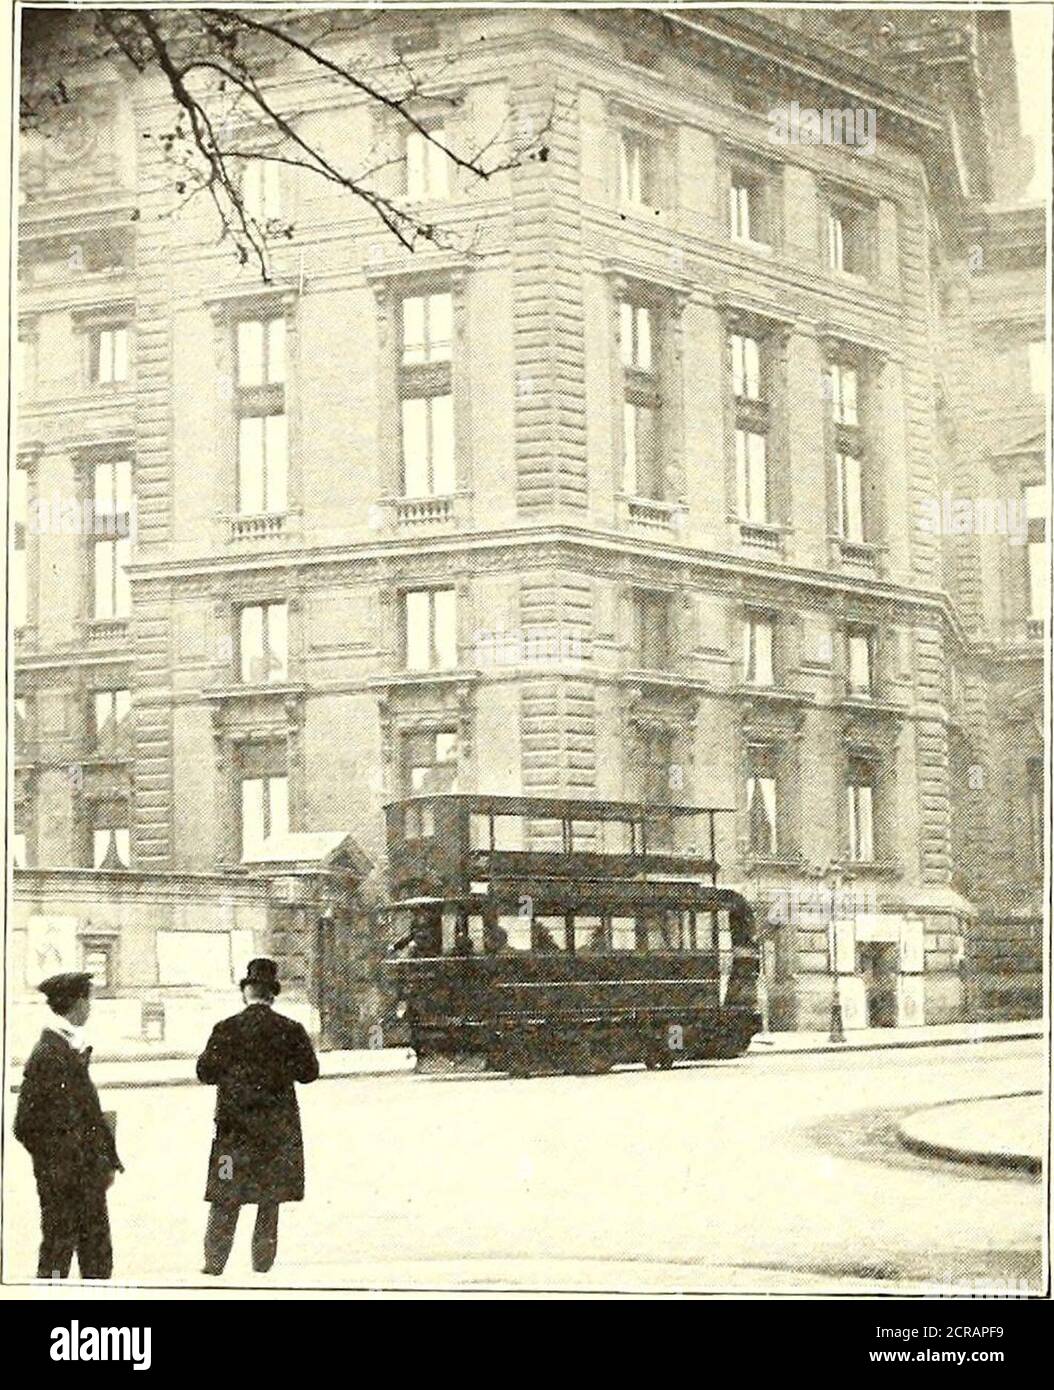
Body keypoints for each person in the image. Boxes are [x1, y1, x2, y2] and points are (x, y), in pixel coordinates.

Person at [196, 958, 319, 1276]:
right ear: (272, 994)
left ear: (245, 992)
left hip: (232, 1135)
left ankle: (213, 1266)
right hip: (276, 1135)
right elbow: (309, 1073)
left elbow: (205, 1072)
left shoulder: (225, 1029)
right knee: (270, 1202)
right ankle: (261, 1271)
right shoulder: (291, 1030)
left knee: (225, 1198)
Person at [14, 972, 122, 1280]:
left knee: (96, 1255)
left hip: (83, 1174)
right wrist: (64, 1163)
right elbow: (25, 1125)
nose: (91, 1007)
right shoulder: (49, 1054)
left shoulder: (66, 1047)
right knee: (59, 1254)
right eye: (89, 999)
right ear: (76, 1003)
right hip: (65, 1176)